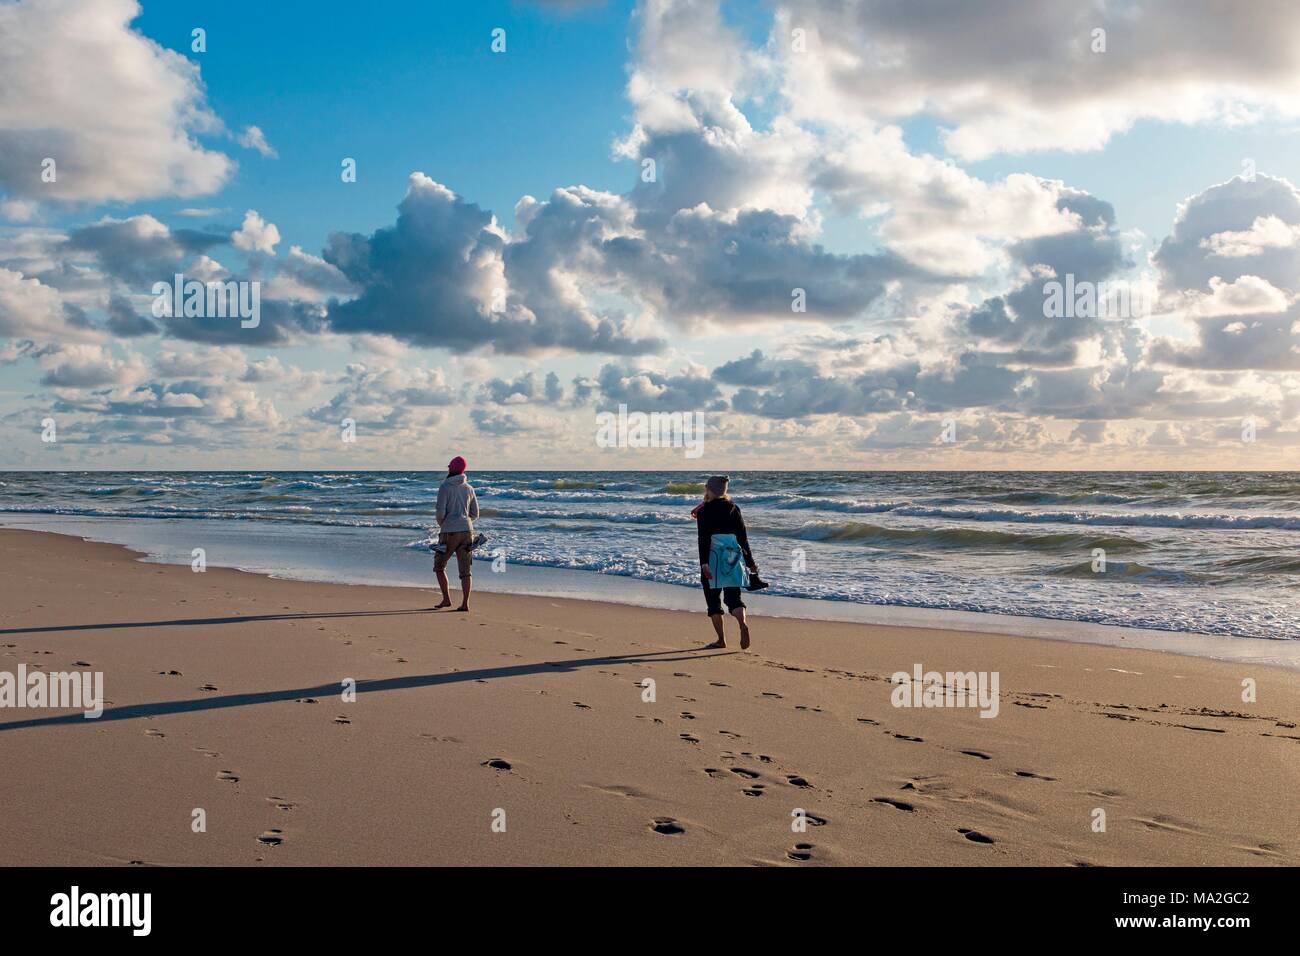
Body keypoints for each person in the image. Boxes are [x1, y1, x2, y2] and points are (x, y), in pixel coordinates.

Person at [694, 475, 759, 649]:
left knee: (713, 601)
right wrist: (750, 562)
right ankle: (742, 623)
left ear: (709, 490)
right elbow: (743, 539)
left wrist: (704, 563)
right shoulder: (733, 508)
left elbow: (704, 539)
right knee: (734, 598)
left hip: (713, 558)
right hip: (732, 556)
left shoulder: (704, 511)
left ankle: (721, 640)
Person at [434, 455, 479, 612]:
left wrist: (444, 525)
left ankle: (446, 599)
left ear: (451, 469)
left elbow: (440, 512)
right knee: (466, 571)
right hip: (467, 530)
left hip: (449, 531)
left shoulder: (445, 487)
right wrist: (465, 522)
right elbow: (475, 513)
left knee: (439, 566)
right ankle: (465, 603)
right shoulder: (469, 488)